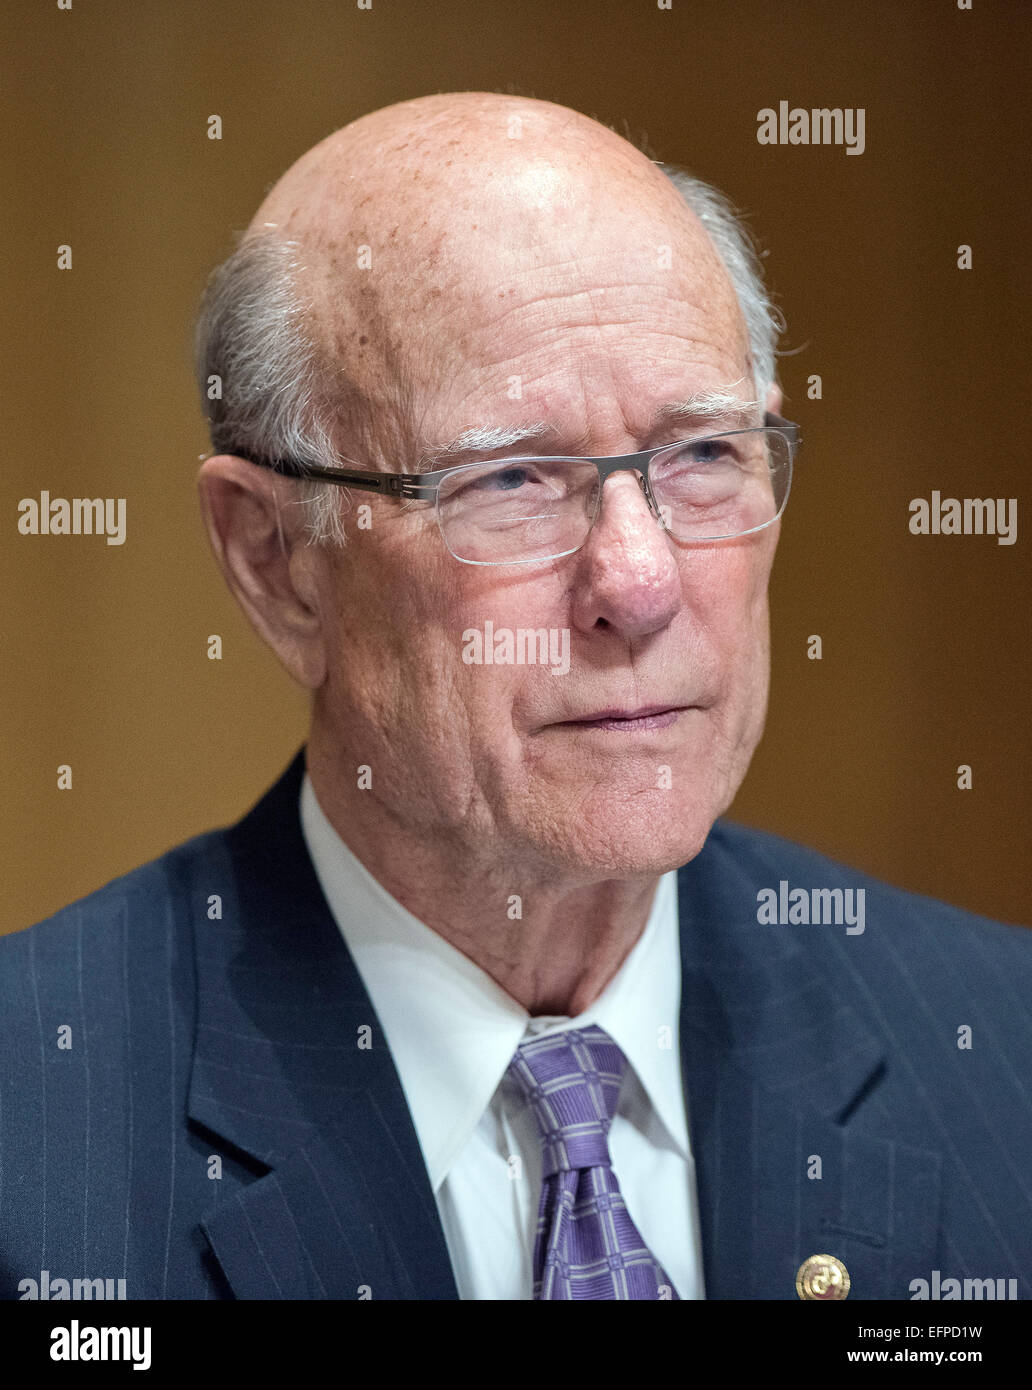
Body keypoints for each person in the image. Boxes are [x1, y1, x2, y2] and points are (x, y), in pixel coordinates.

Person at [2, 92, 1030, 1303]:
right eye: (514, 479)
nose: (638, 583)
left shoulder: (999, 1048)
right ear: (277, 561)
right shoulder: (38, 1150)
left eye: (702, 453)